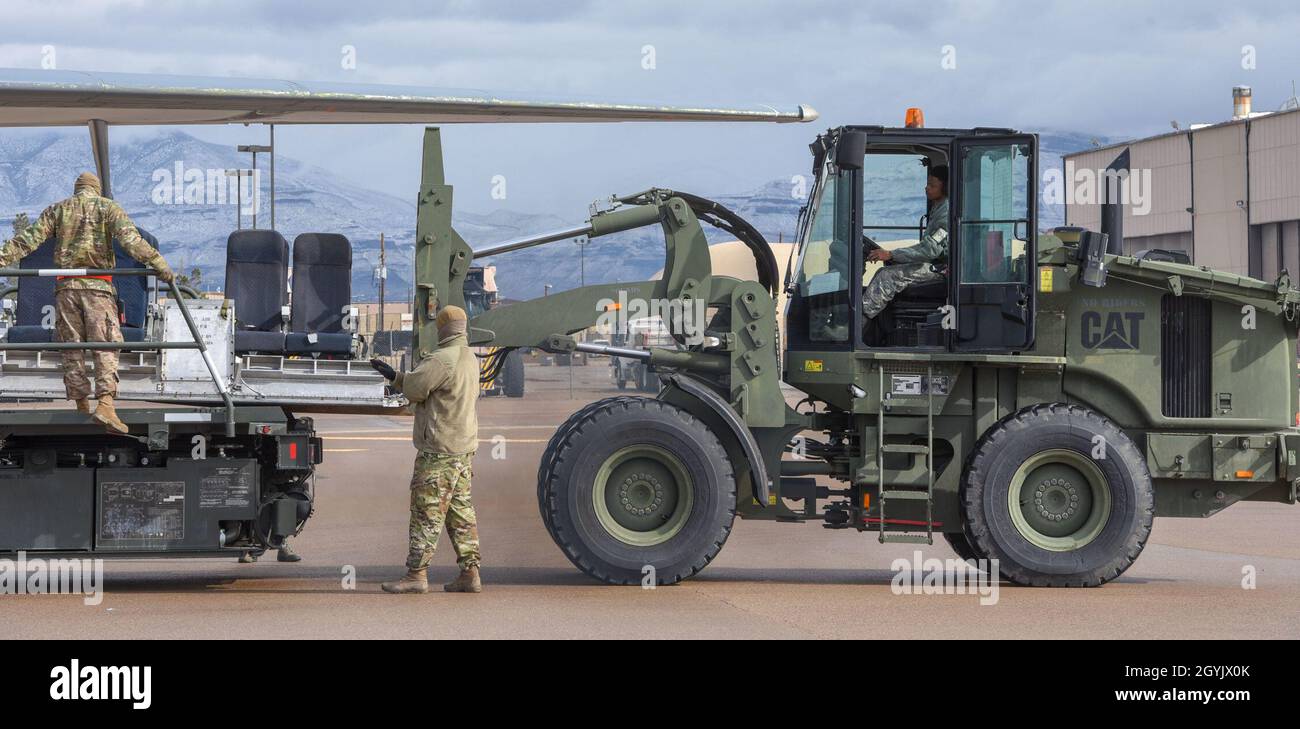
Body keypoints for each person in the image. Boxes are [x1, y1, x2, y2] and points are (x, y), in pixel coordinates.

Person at [0, 172, 174, 433]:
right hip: (97, 288)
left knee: (72, 346)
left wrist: (1, 259)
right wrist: (159, 264)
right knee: (105, 345)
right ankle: (105, 404)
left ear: (76, 189)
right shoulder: (108, 208)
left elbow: (27, 241)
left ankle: (81, 401)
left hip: (66, 289)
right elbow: (131, 241)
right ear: (97, 189)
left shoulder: (58, 210)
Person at [371, 305, 482, 594]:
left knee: (426, 513)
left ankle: (416, 575)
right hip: (462, 449)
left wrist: (396, 378)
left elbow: (415, 390)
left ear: (442, 329)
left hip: (439, 451)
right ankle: (470, 573)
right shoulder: (470, 358)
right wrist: (396, 375)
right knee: (460, 513)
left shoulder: (441, 359)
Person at [862, 165, 949, 320]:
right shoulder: (938, 208)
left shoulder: (946, 212)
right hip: (934, 265)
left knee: (886, 276)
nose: (927, 188)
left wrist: (891, 254)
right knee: (885, 271)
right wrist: (894, 256)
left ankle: (859, 324)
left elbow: (929, 250)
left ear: (945, 188)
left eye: (932, 185)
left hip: (941, 270)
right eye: (927, 184)